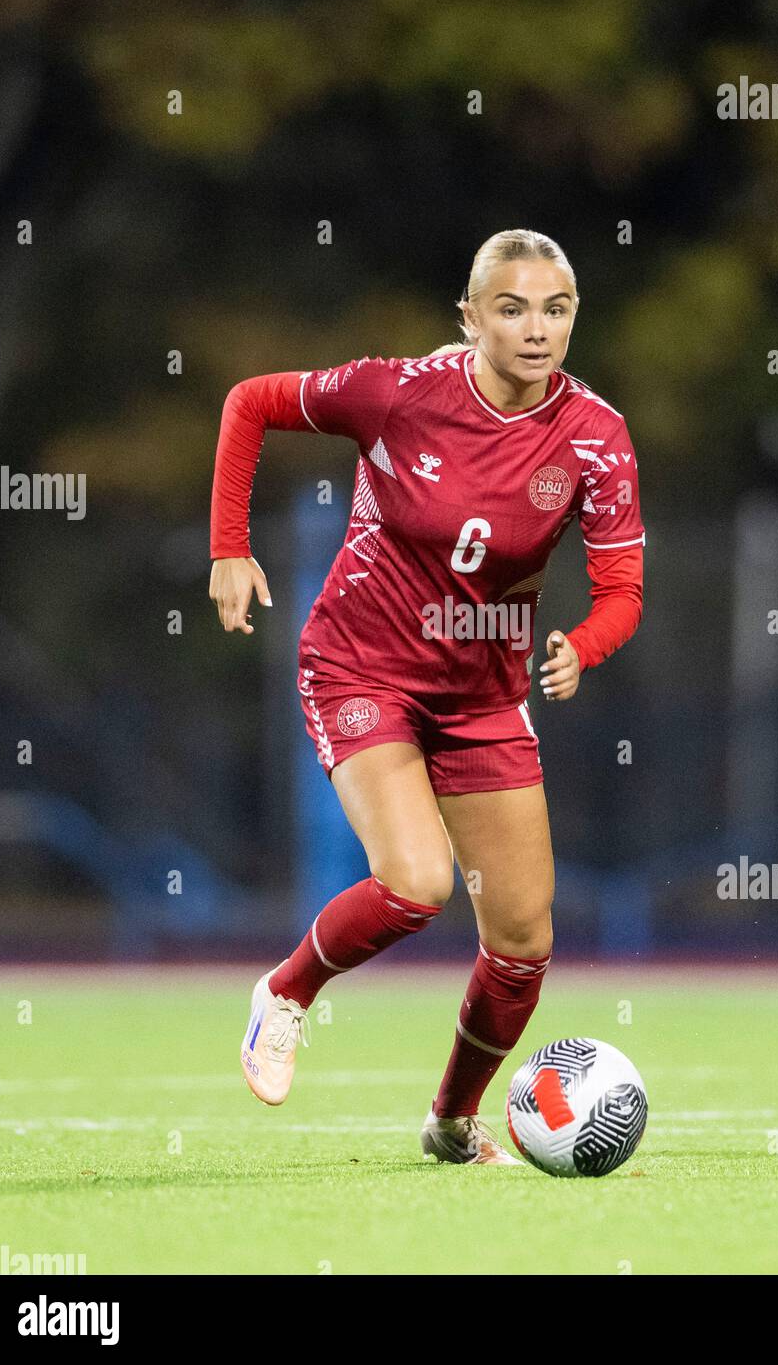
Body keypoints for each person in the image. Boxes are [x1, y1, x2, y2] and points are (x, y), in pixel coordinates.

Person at [210, 228, 645, 1165]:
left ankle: (452, 1121)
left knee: (523, 940)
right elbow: (249, 403)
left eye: (555, 309)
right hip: (361, 665)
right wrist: (228, 547)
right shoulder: (397, 392)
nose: (536, 329)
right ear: (471, 316)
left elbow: (622, 591)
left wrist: (585, 644)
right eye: (512, 307)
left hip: (481, 696)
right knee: (415, 884)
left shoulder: (596, 438)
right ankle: (283, 995)